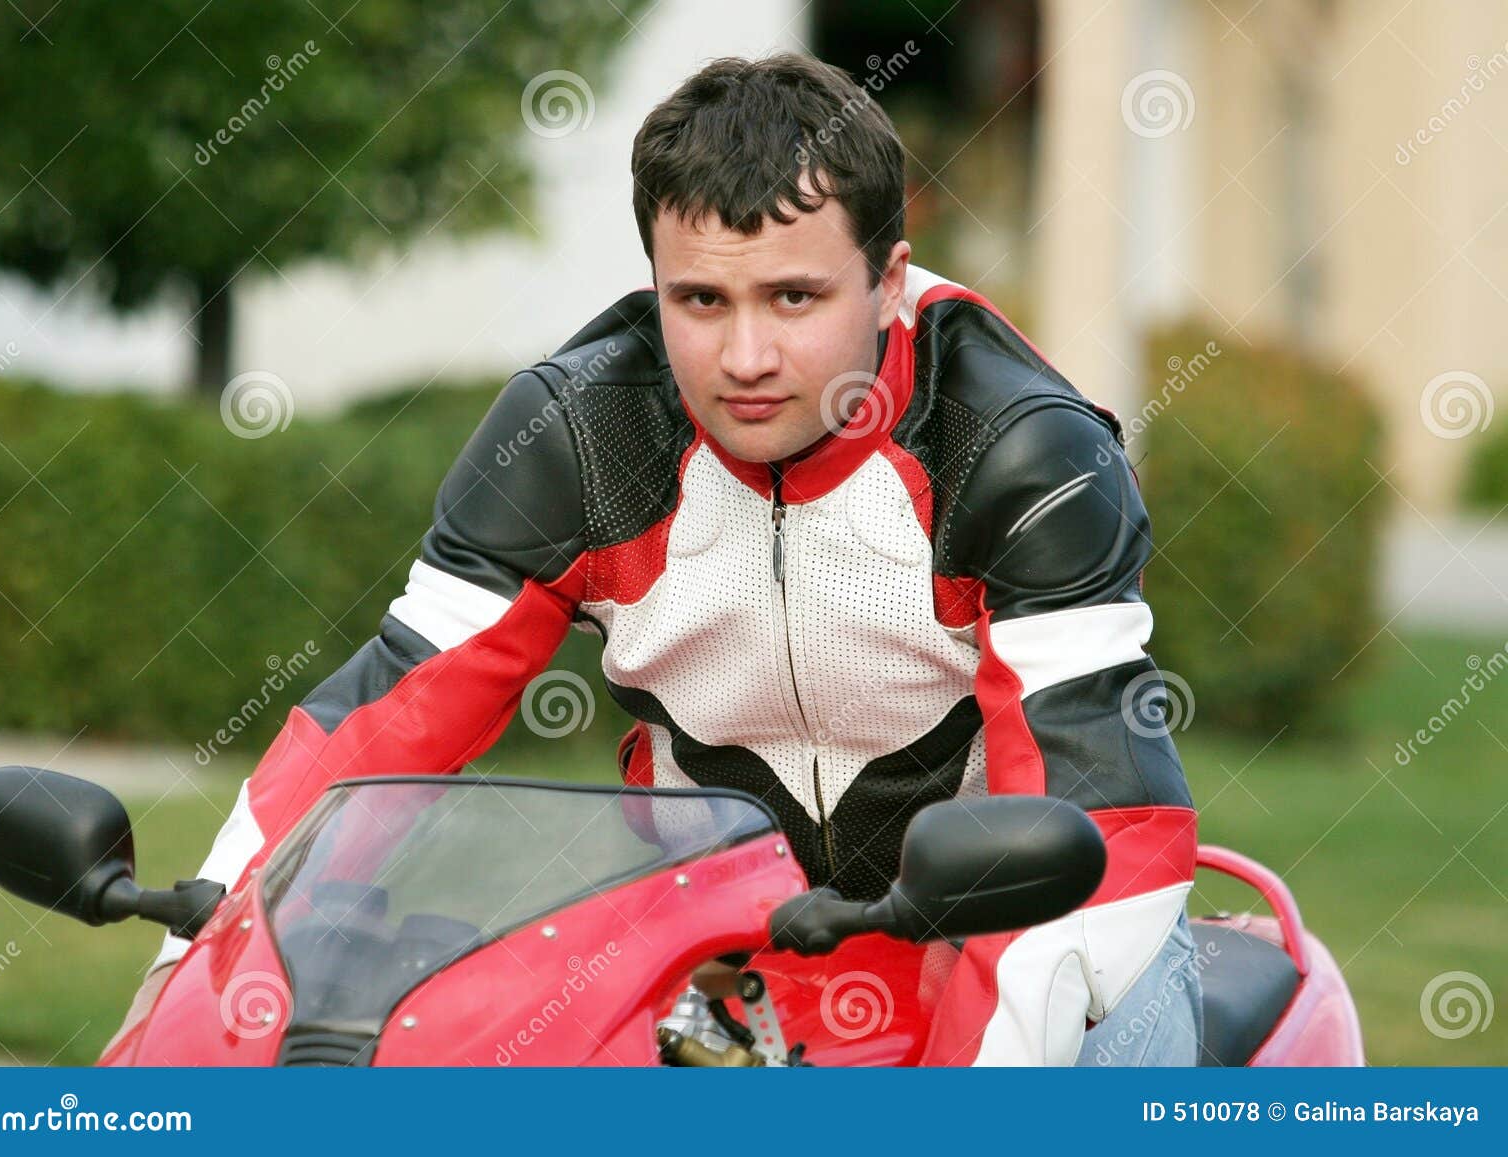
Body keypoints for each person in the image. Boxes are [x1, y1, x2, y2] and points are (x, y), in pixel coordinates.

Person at [106, 52, 1201, 1066]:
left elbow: (1106, 821)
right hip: (722, 949)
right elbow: (391, 707)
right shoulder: (577, 435)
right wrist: (198, 960)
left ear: (889, 280)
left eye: (795, 296)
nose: (746, 357)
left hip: (1023, 921)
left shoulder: (1022, 449)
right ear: (654, 285)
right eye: (700, 299)